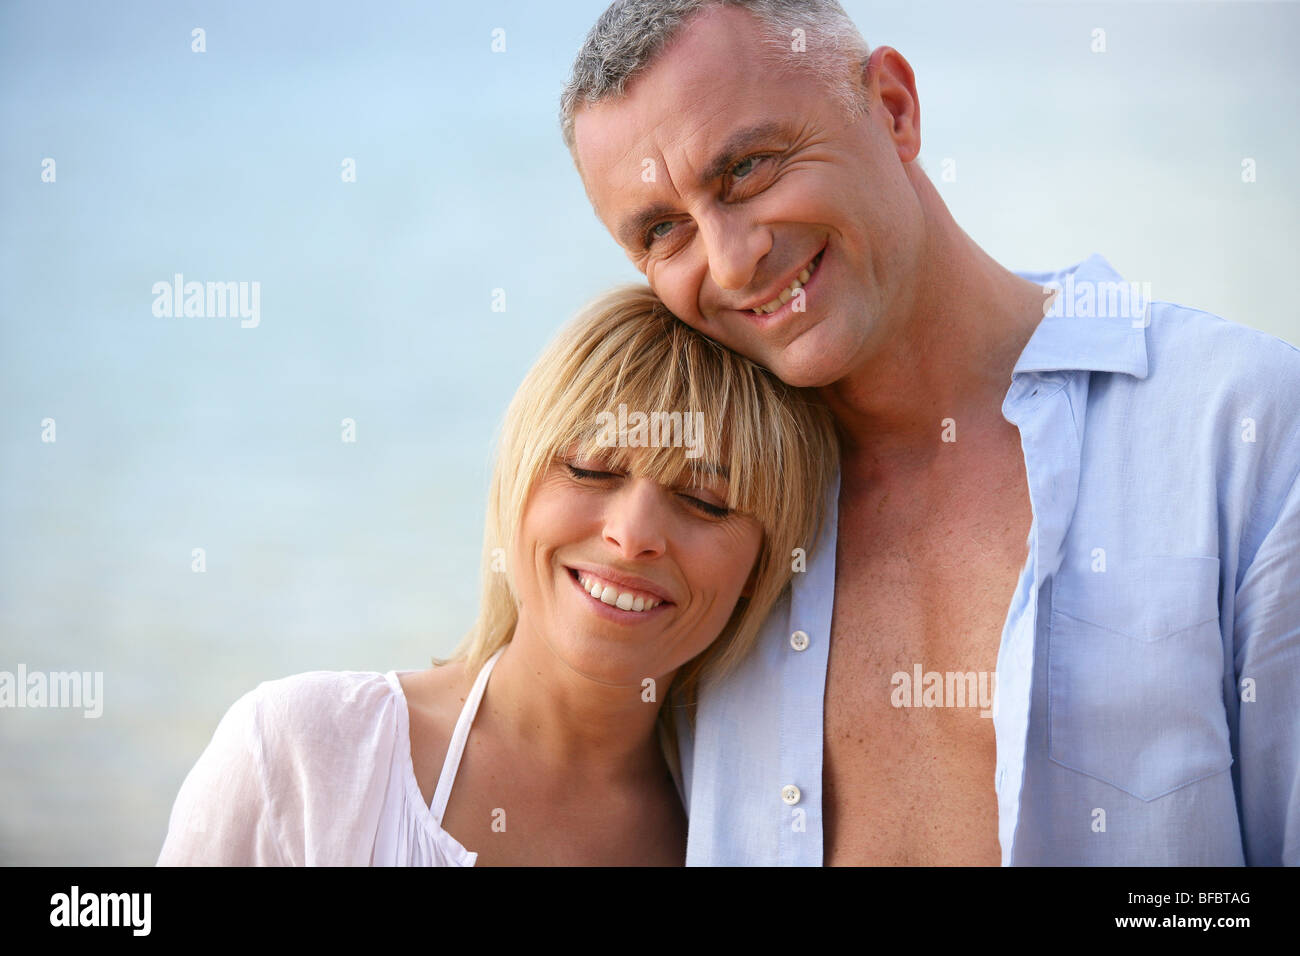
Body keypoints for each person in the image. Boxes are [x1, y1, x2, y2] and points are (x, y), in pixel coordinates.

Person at [561, 0, 1300, 865]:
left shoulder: (1239, 422)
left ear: (894, 109)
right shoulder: (684, 533)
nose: (729, 261)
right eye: (663, 230)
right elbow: (524, 755)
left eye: (750, 168)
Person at [156, 283, 838, 865]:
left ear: (762, 566)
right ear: (517, 483)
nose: (632, 538)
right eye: (591, 468)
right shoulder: (303, 755)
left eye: (703, 501)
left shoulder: (735, 840)